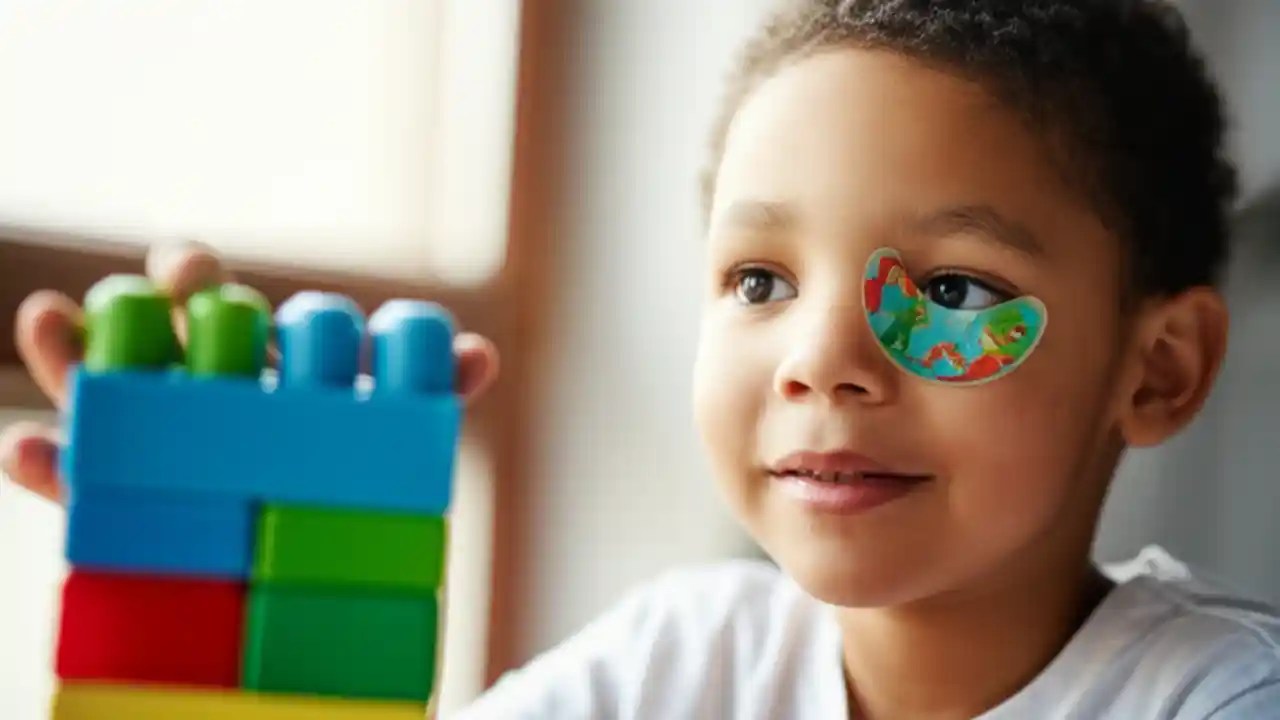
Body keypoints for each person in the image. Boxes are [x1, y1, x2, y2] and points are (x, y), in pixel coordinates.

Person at [5, 0, 1279, 717]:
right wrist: (219, 640)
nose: (819, 360)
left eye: (946, 289)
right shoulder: (678, 658)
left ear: (1156, 369)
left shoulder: (1216, 698)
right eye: (759, 280)